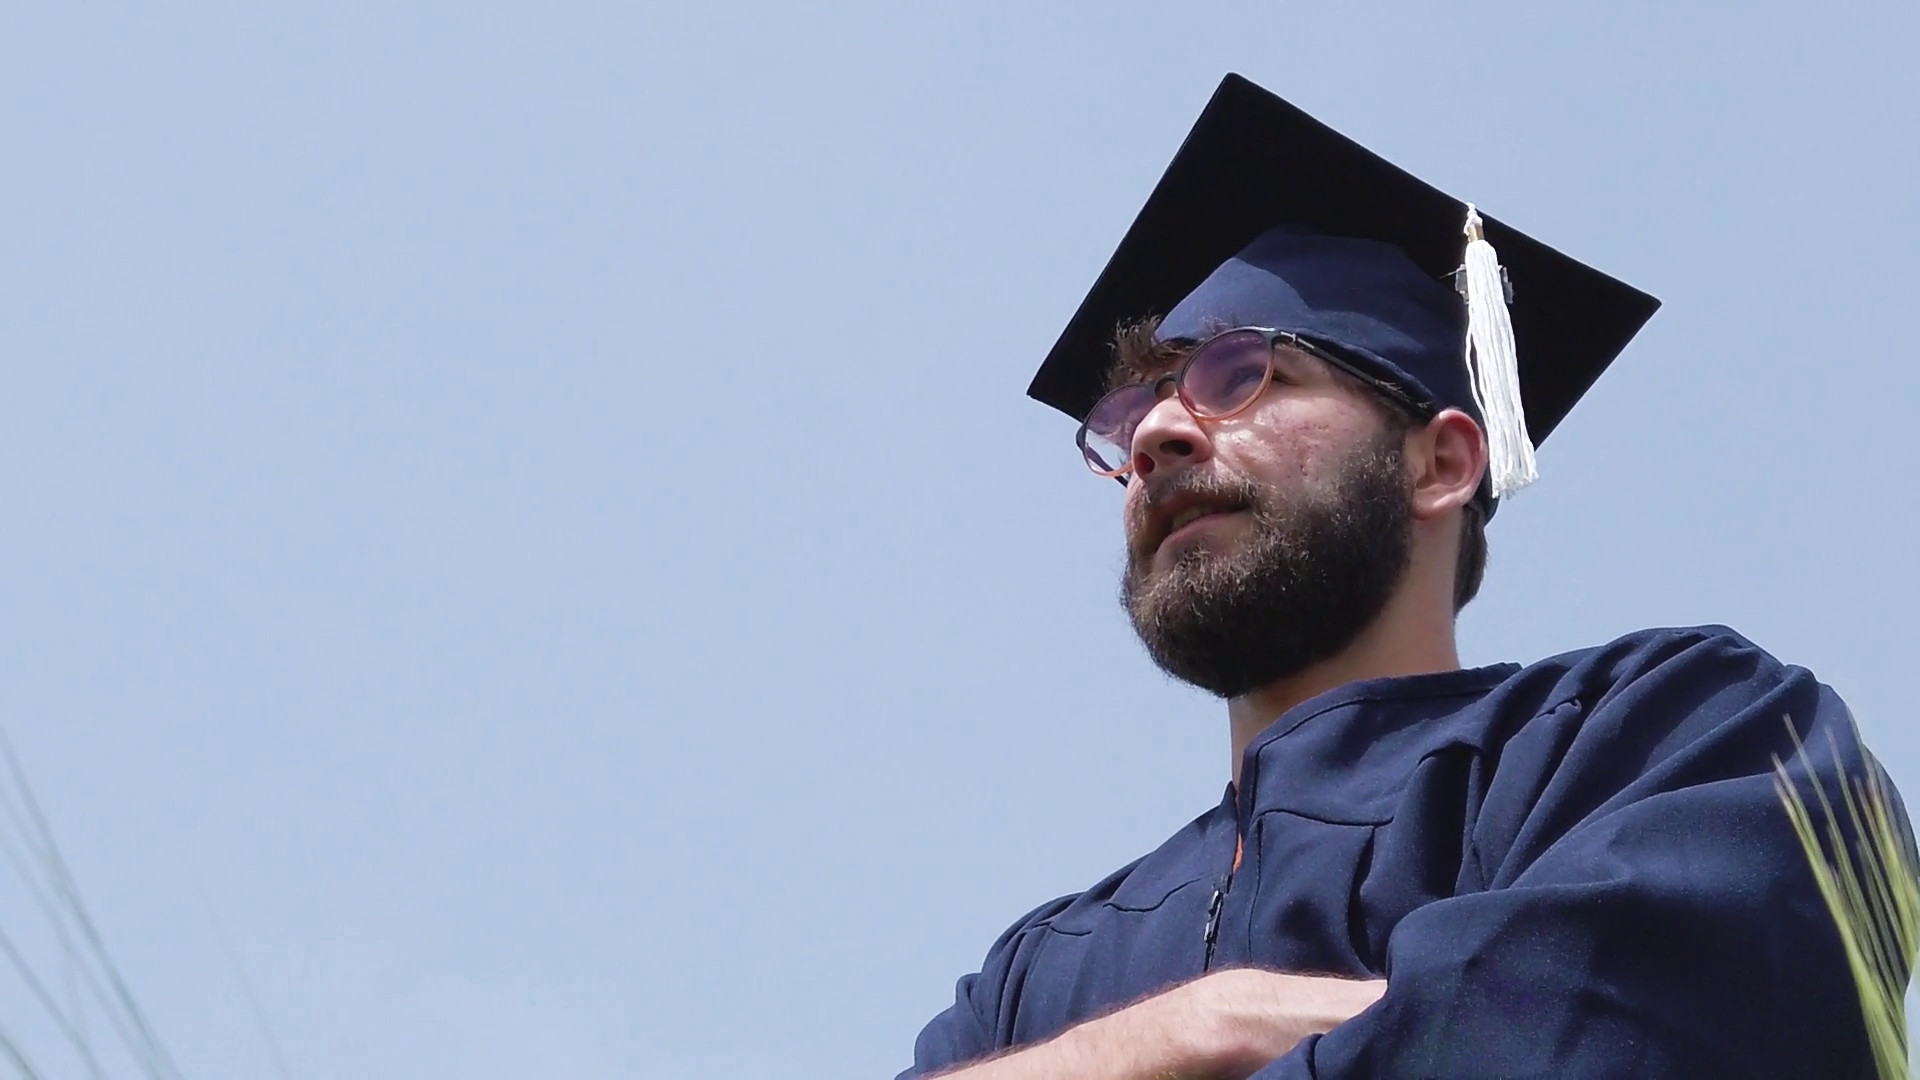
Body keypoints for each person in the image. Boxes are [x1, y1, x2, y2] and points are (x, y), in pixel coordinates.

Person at [899, 74, 1908, 1078]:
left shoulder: (1682, 734)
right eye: (1130, 418)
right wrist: (1185, 1030)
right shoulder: (1036, 975)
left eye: (1240, 375)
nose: (1158, 434)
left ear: (1443, 463)